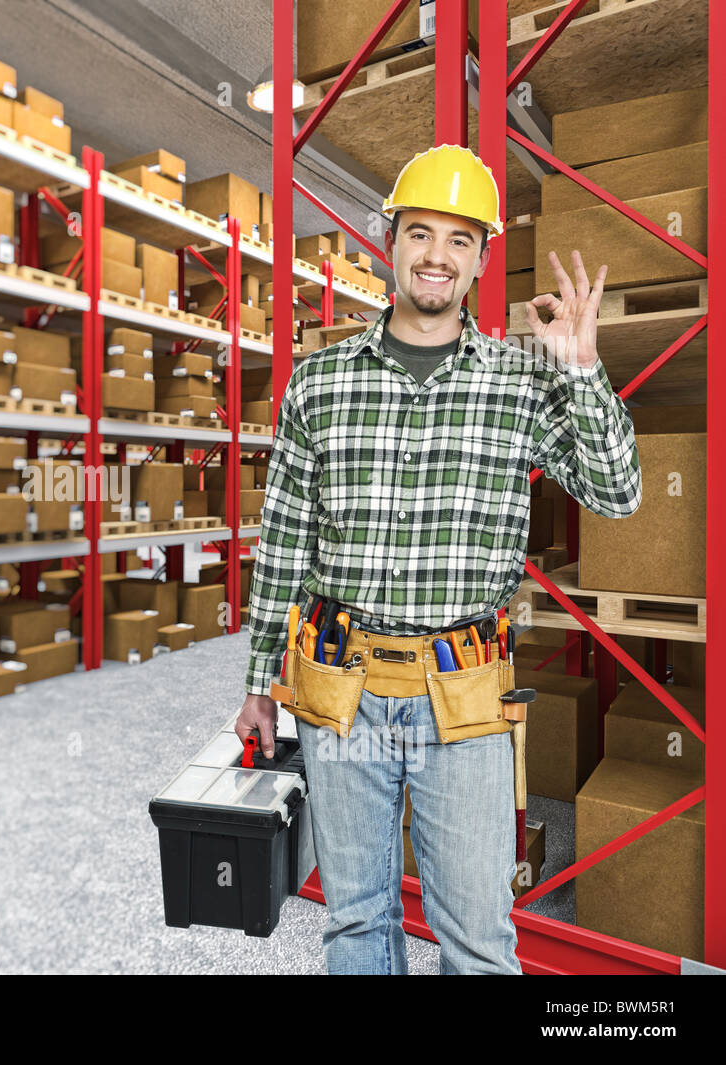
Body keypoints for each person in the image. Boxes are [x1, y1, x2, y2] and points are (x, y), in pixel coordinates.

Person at [236, 144, 642, 974]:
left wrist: (584, 372)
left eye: (460, 240)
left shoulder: (521, 381)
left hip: (464, 696)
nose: (436, 256)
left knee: (479, 939)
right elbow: (283, 539)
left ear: (484, 258)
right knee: (355, 921)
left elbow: (619, 492)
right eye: (420, 232)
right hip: (338, 688)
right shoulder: (318, 385)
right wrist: (255, 683)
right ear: (390, 240)